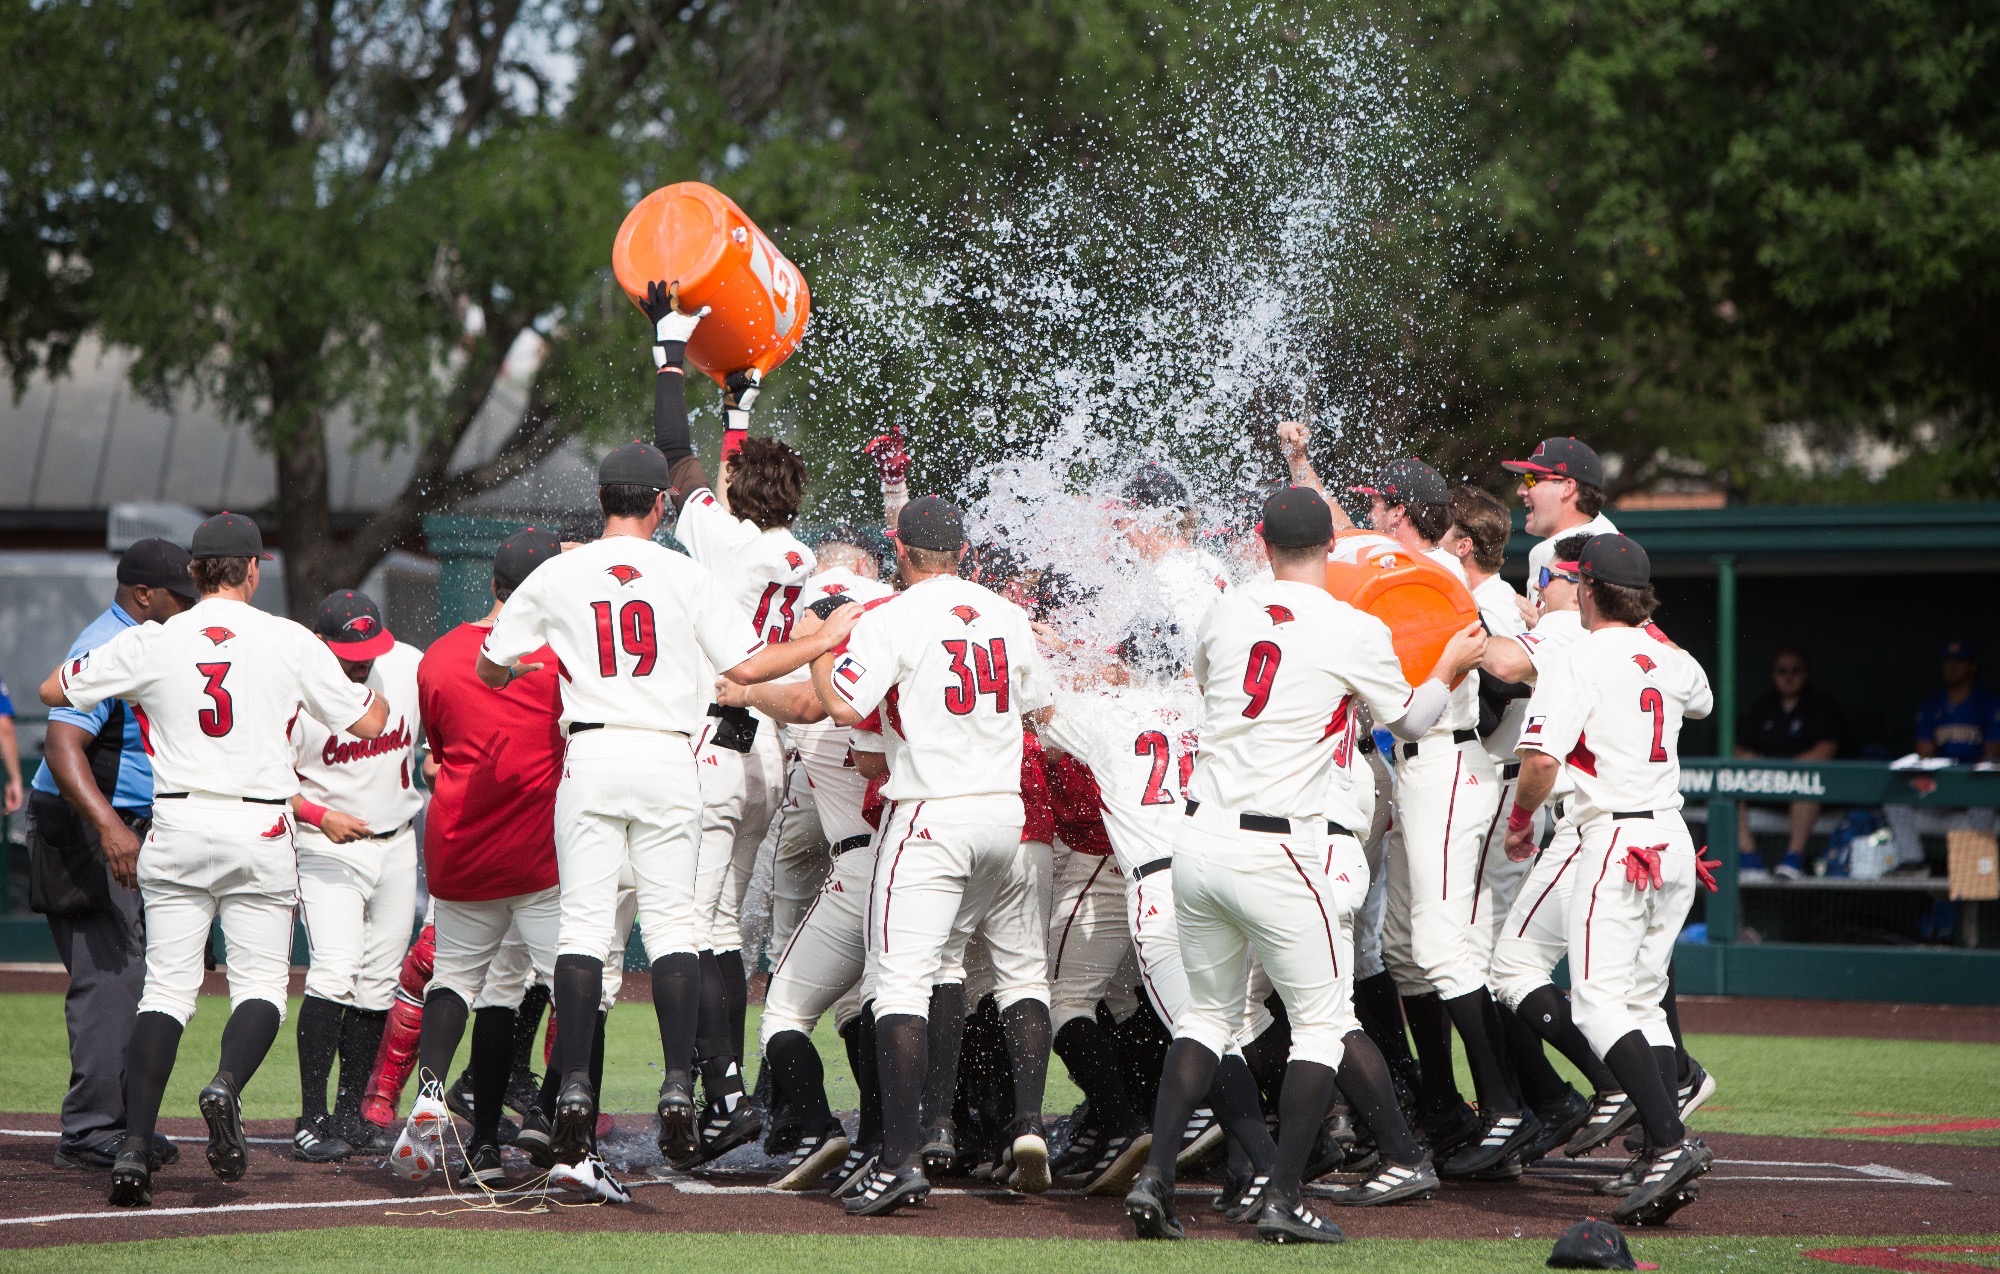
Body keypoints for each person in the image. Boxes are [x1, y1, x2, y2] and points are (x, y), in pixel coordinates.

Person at [475, 442, 860, 1171]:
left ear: (601, 501)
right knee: (678, 928)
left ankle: (574, 1088)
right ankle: (681, 1085)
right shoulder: (686, 573)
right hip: (669, 757)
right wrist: (826, 639)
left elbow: (489, 665)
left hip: (591, 754)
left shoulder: (560, 570)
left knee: (585, 931)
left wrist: (522, 664)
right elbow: (748, 666)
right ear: (660, 505)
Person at [1123, 486, 1485, 1245]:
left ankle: (1156, 1178)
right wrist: (1448, 665)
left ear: (1261, 542)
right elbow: (1410, 721)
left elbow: (1212, 684)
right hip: (1283, 845)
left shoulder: (1225, 610)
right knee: (1322, 1025)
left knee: (1205, 1018)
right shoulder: (1352, 625)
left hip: (1199, 838)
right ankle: (1284, 1195)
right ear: (1330, 546)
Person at [40, 512, 388, 1208]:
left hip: (176, 820)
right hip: (258, 823)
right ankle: (226, 1083)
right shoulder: (287, 639)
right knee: (260, 987)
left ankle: (132, 1147)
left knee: (165, 992)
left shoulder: (154, 638)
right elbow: (369, 722)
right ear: (252, 570)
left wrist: (141, 681)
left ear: (195, 572)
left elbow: (54, 691)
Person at [808, 495, 1058, 1217]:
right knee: (1002, 971)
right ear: (962, 552)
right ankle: (1012, 1123)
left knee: (899, 984)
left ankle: (901, 1158)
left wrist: (820, 649)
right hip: (1005, 814)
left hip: (930, 813)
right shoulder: (1006, 614)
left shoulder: (893, 614)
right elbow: (1041, 709)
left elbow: (844, 708)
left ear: (901, 549)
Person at [644, 282, 818, 1157]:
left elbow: (675, 460)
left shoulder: (727, 541)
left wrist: (669, 356)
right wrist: (740, 410)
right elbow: (723, 479)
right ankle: (726, 1091)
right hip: (768, 753)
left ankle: (724, 1091)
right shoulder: (796, 551)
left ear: (740, 495)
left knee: (695, 925)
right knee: (725, 929)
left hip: (718, 738)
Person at [1503, 533, 1716, 1226]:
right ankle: (1661, 1145)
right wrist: (1646, 626)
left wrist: (1520, 821)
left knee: (1596, 1005)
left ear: (1588, 588)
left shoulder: (1579, 654)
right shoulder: (1668, 658)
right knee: (1643, 1002)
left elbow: (1540, 761)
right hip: (1671, 838)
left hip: (1616, 837)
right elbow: (1703, 700)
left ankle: (1671, 1144)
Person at [25, 538, 195, 1172]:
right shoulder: (107, 643)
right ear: (143, 595)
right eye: (179, 597)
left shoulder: (148, 641)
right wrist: (109, 828)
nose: (189, 607)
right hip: (85, 826)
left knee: (138, 975)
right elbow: (61, 744)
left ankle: (124, 1124)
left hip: (123, 824)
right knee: (111, 976)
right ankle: (91, 1127)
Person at [286, 590, 424, 1164]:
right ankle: (311, 1116)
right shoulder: (293, 686)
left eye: (370, 649)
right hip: (326, 845)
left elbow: (438, 734)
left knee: (377, 983)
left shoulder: (408, 666)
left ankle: (350, 1113)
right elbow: (266, 779)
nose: (362, 661)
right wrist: (319, 815)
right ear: (321, 642)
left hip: (397, 842)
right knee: (336, 970)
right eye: (350, 652)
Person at [1885, 640, 2000, 872]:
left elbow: (1992, 753)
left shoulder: (1988, 704)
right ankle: (1913, 862)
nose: (1952, 667)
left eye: (1959, 662)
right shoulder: (1933, 705)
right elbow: (1925, 754)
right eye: (1948, 662)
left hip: (1974, 784)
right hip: (1941, 784)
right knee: (1894, 796)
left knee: (1983, 793)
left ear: (1972, 667)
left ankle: (1974, 870)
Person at [1735, 646, 1843, 879]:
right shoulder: (1764, 705)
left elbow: (1826, 749)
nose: (1789, 676)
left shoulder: (1819, 704)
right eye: (1782, 671)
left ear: (1807, 673)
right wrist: (1751, 758)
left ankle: (1793, 859)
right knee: (1730, 789)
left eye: (1796, 670)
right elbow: (1738, 749)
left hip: (1800, 786)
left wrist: (1786, 767)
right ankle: (1749, 858)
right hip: (1765, 784)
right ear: (1773, 674)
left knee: (1806, 785)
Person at [1501, 437, 1617, 610]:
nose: (1521, 490)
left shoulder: (1560, 551)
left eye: (1532, 479)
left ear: (1567, 488)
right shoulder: (1607, 535)